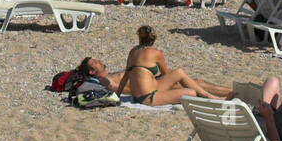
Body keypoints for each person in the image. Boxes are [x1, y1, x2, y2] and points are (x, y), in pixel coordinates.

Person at [75, 55, 226, 107]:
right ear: (92, 72)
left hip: (152, 83)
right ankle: (230, 94)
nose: (99, 61)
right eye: (95, 63)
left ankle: (230, 93)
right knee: (192, 84)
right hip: (150, 89)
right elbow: (126, 91)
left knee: (194, 80)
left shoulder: (109, 75)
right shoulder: (105, 81)